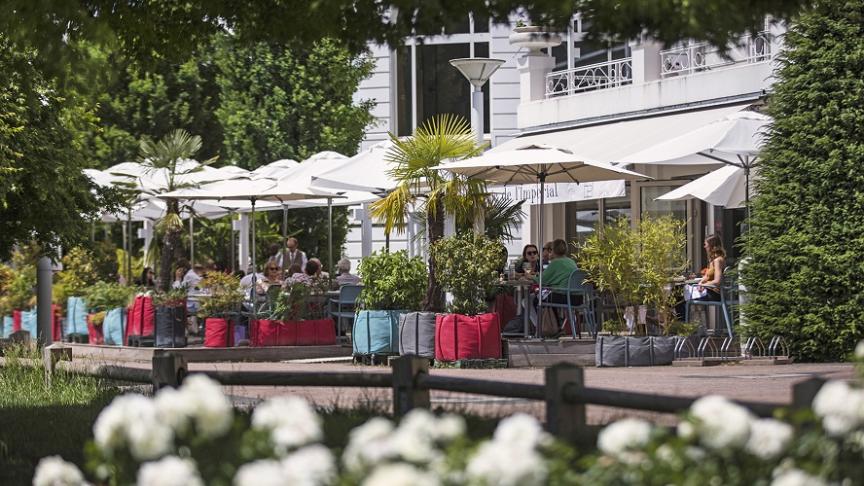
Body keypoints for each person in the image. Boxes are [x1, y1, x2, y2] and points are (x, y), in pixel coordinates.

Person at [696, 235, 726, 302]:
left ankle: (681, 312)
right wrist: (700, 283)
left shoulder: (718, 261)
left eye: (706, 244)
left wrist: (703, 285)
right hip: (709, 291)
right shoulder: (713, 261)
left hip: (713, 294)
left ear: (711, 246)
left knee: (679, 297)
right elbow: (706, 276)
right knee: (678, 293)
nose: (704, 247)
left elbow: (717, 281)